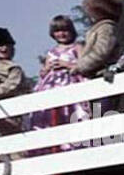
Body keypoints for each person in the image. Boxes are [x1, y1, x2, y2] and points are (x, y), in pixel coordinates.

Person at [27, 16, 86, 147]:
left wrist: (66, 64)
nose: (62, 34)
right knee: (49, 114)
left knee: (72, 112)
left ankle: (74, 143)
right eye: (57, 31)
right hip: (51, 84)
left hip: (70, 81)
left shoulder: (77, 47)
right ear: (53, 33)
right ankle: (53, 144)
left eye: (65, 30)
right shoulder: (51, 52)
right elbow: (43, 73)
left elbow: (83, 65)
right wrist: (46, 69)